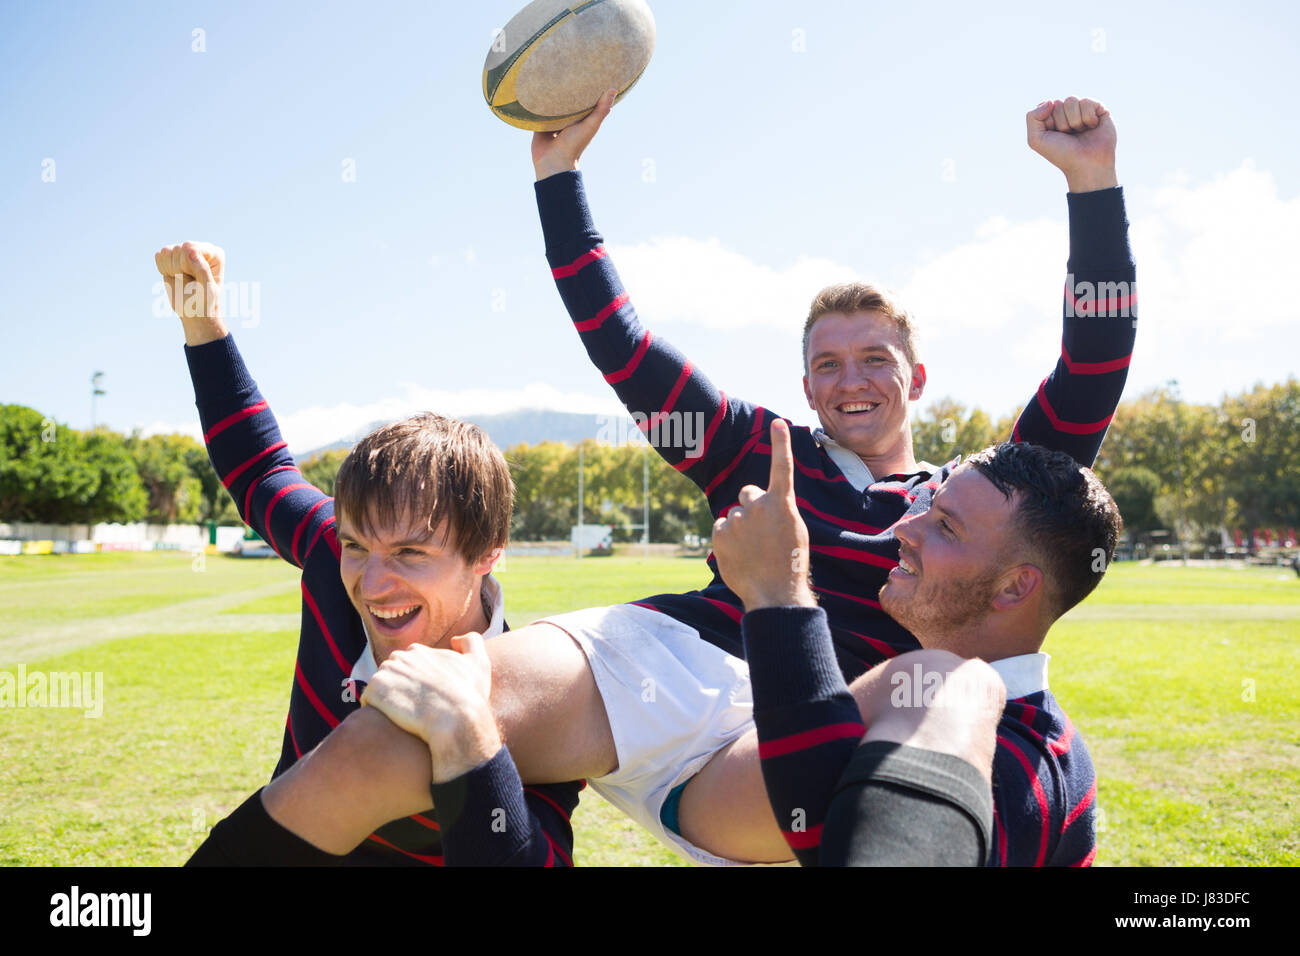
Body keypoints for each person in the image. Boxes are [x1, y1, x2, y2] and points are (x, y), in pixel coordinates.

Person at [186, 93, 1134, 867]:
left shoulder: (985, 501)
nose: (852, 380)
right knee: (403, 728)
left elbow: (1091, 366)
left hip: (797, 737)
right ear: (805, 384)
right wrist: (559, 182)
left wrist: (1093, 189)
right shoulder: (758, 450)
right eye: (829, 363)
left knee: (930, 696)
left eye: (875, 358)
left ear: (915, 377)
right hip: (668, 664)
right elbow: (623, 346)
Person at [156, 244, 580, 866]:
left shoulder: (536, 688)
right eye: (357, 544)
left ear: (488, 554)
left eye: (411, 552)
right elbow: (259, 470)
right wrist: (203, 322)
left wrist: (471, 743)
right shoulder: (333, 555)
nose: (372, 582)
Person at [712, 419, 1116, 865]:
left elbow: (847, 849)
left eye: (946, 527)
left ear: (1015, 588)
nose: (904, 528)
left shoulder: (1027, 767)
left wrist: (779, 596)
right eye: (928, 506)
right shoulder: (926, 698)